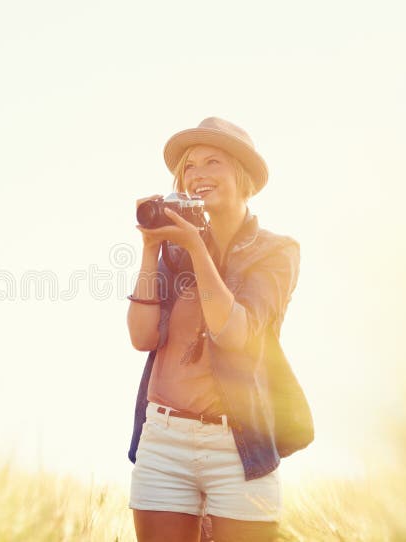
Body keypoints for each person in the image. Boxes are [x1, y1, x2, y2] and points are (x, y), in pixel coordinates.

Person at [126, 117, 303, 542]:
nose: (198, 174)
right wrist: (151, 250)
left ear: (242, 176)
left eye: (213, 162)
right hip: (164, 439)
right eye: (189, 166)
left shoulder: (275, 252)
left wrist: (195, 247)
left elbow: (235, 334)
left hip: (239, 445)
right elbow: (141, 337)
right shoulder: (170, 251)